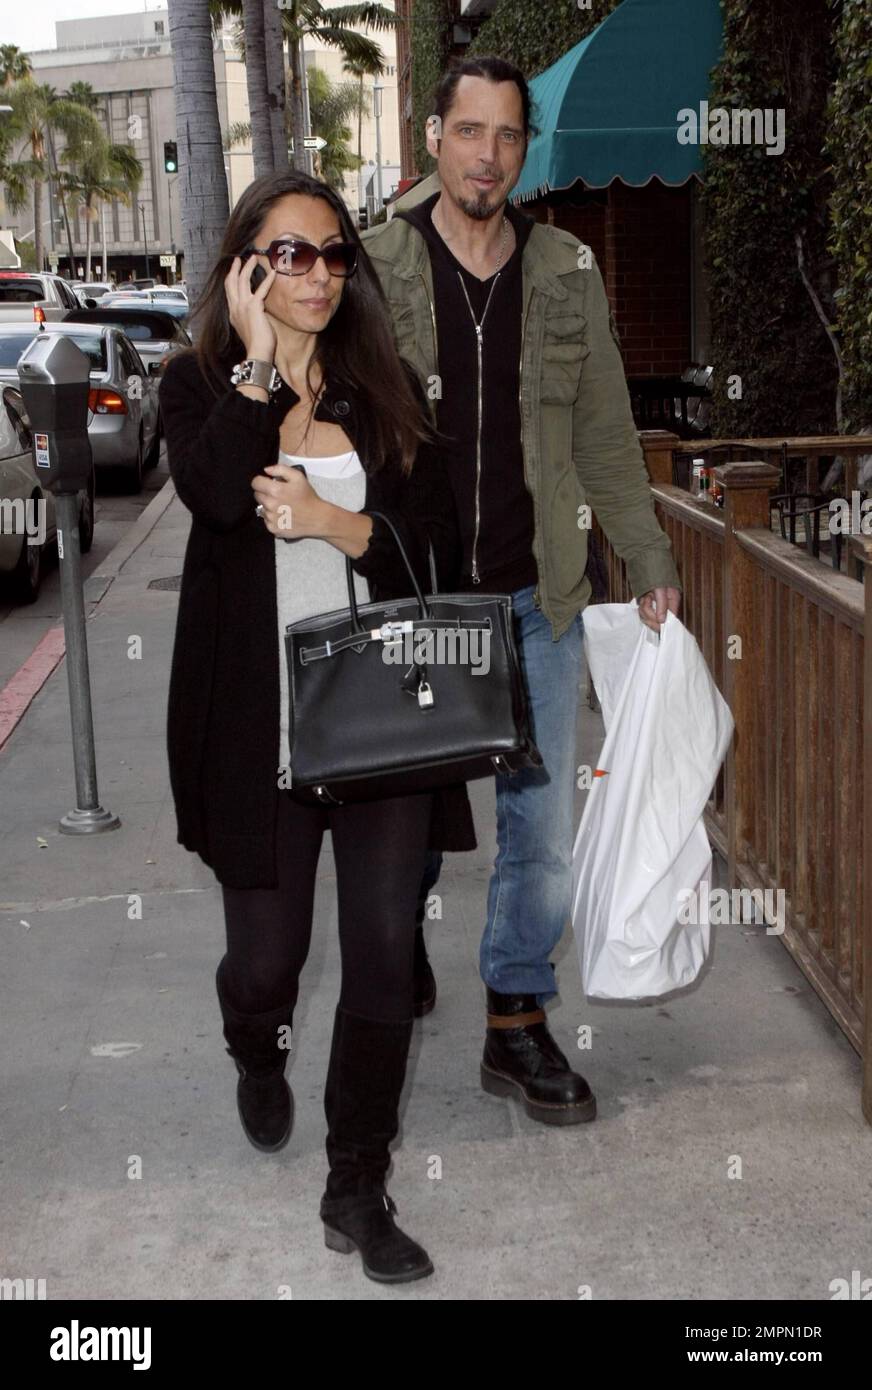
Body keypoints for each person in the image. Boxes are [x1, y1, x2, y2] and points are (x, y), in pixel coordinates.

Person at [159, 169, 474, 1284]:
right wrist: (254, 366)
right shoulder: (199, 386)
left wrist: (336, 522)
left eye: (334, 254)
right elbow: (204, 495)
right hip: (257, 733)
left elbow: (439, 547)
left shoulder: (383, 390)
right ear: (245, 263)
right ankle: (254, 1038)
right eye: (289, 253)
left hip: (380, 724)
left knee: (385, 959)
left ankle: (356, 1181)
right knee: (269, 961)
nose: (319, 274)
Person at [364, 57, 683, 1125]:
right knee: (400, 822)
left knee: (537, 830)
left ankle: (515, 1020)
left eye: (506, 136)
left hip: (532, 600)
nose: (486, 155)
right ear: (432, 138)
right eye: (468, 131)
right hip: (412, 607)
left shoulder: (565, 274)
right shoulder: (372, 262)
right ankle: (395, 935)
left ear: (522, 149)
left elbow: (600, 431)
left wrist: (645, 561)